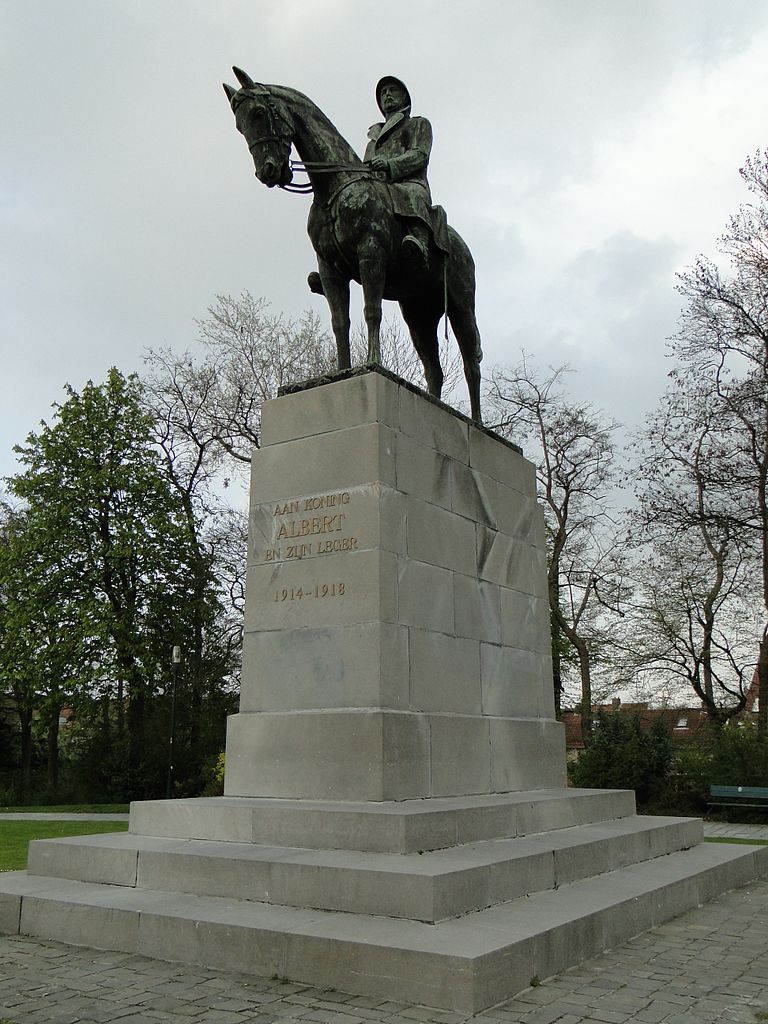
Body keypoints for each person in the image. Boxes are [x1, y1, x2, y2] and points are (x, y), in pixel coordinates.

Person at [364, 76, 436, 269]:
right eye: (383, 92)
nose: (387, 94)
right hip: (378, 188)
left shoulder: (418, 124)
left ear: (404, 97)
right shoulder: (374, 137)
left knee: (410, 193)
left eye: (392, 90)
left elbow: (420, 155)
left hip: (410, 184)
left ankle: (420, 242)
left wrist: (389, 164)